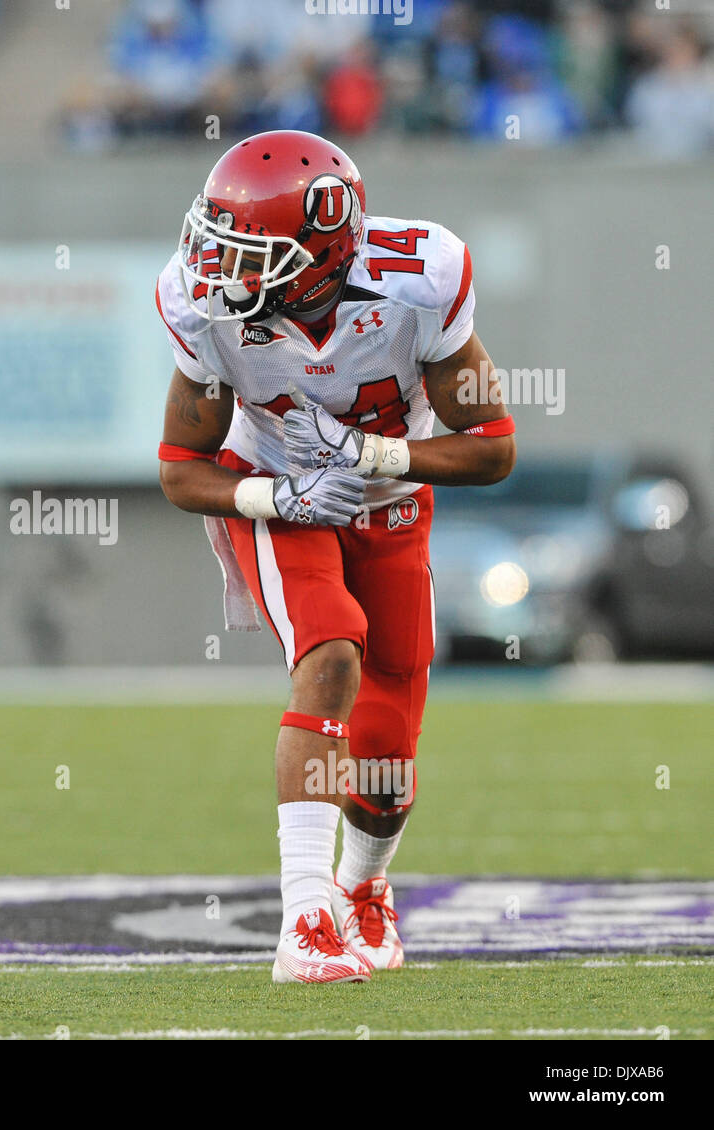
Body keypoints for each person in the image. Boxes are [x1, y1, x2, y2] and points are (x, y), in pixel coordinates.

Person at [155, 130, 514, 983]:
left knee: (387, 754)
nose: (220, 270)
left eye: (251, 254)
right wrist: (279, 498)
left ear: (317, 253)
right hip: (275, 490)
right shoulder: (202, 307)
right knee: (330, 652)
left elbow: (492, 447)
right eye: (219, 242)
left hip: (392, 500)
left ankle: (362, 887)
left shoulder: (420, 280)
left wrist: (370, 454)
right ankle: (305, 920)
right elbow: (180, 469)